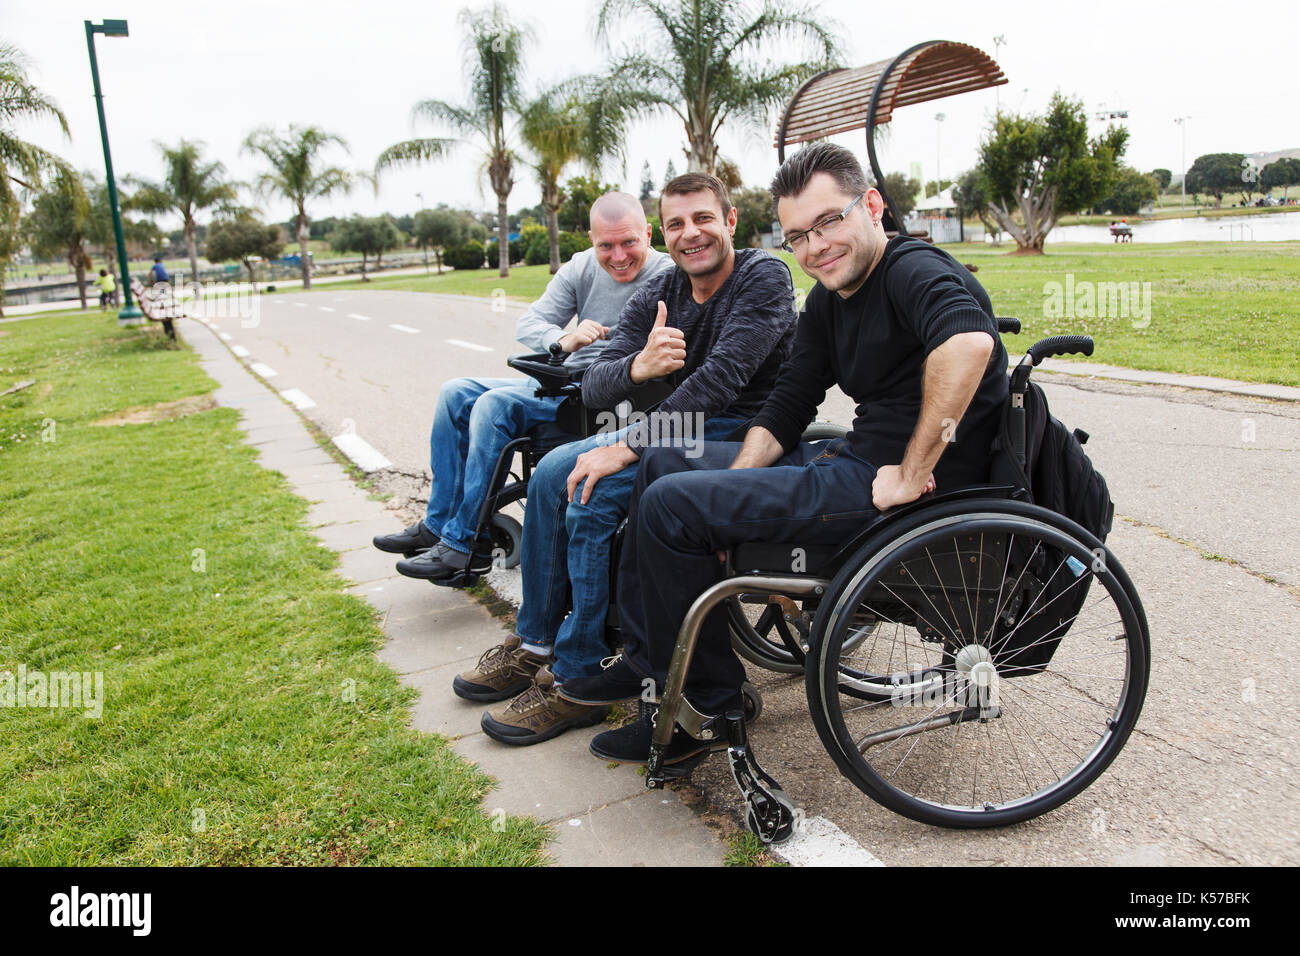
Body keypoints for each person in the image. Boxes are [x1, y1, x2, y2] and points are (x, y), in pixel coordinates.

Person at [556, 142, 1010, 767]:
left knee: (668, 506)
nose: (816, 246)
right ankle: (653, 665)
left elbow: (967, 343)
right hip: (852, 462)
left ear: (871, 206)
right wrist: (734, 490)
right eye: (799, 235)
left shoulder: (914, 270)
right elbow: (788, 404)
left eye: (829, 222)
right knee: (663, 466)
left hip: (899, 488)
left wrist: (912, 472)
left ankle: (709, 708)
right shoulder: (830, 298)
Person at [463, 172, 797, 748]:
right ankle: (538, 642)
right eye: (676, 224)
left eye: (702, 219)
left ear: (731, 221)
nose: (690, 234)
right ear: (662, 233)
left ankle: (578, 675)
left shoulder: (762, 275)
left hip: (745, 432)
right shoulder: (663, 288)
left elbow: (722, 380)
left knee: (591, 493)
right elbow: (594, 386)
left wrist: (628, 444)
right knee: (550, 473)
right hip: (677, 426)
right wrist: (639, 369)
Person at [373, 192, 672, 579]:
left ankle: (466, 543)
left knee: (494, 406)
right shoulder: (581, 267)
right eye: (606, 245)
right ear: (591, 239)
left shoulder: (667, 274)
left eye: (629, 242)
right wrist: (565, 339)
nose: (618, 256)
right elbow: (529, 324)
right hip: (567, 380)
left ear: (648, 233)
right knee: (455, 392)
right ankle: (438, 524)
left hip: (609, 398)